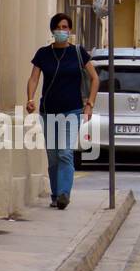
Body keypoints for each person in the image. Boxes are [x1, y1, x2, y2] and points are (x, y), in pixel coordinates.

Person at [25, 13, 98, 209]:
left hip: (72, 110)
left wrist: (89, 104)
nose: (62, 31)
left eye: (65, 27)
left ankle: (65, 194)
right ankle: (56, 194)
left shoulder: (78, 52)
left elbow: (95, 78)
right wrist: (30, 99)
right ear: (52, 30)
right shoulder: (43, 53)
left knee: (65, 152)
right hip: (48, 111)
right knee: (53, 155)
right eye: (58, 27)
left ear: (70, 30)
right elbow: (34, 78)